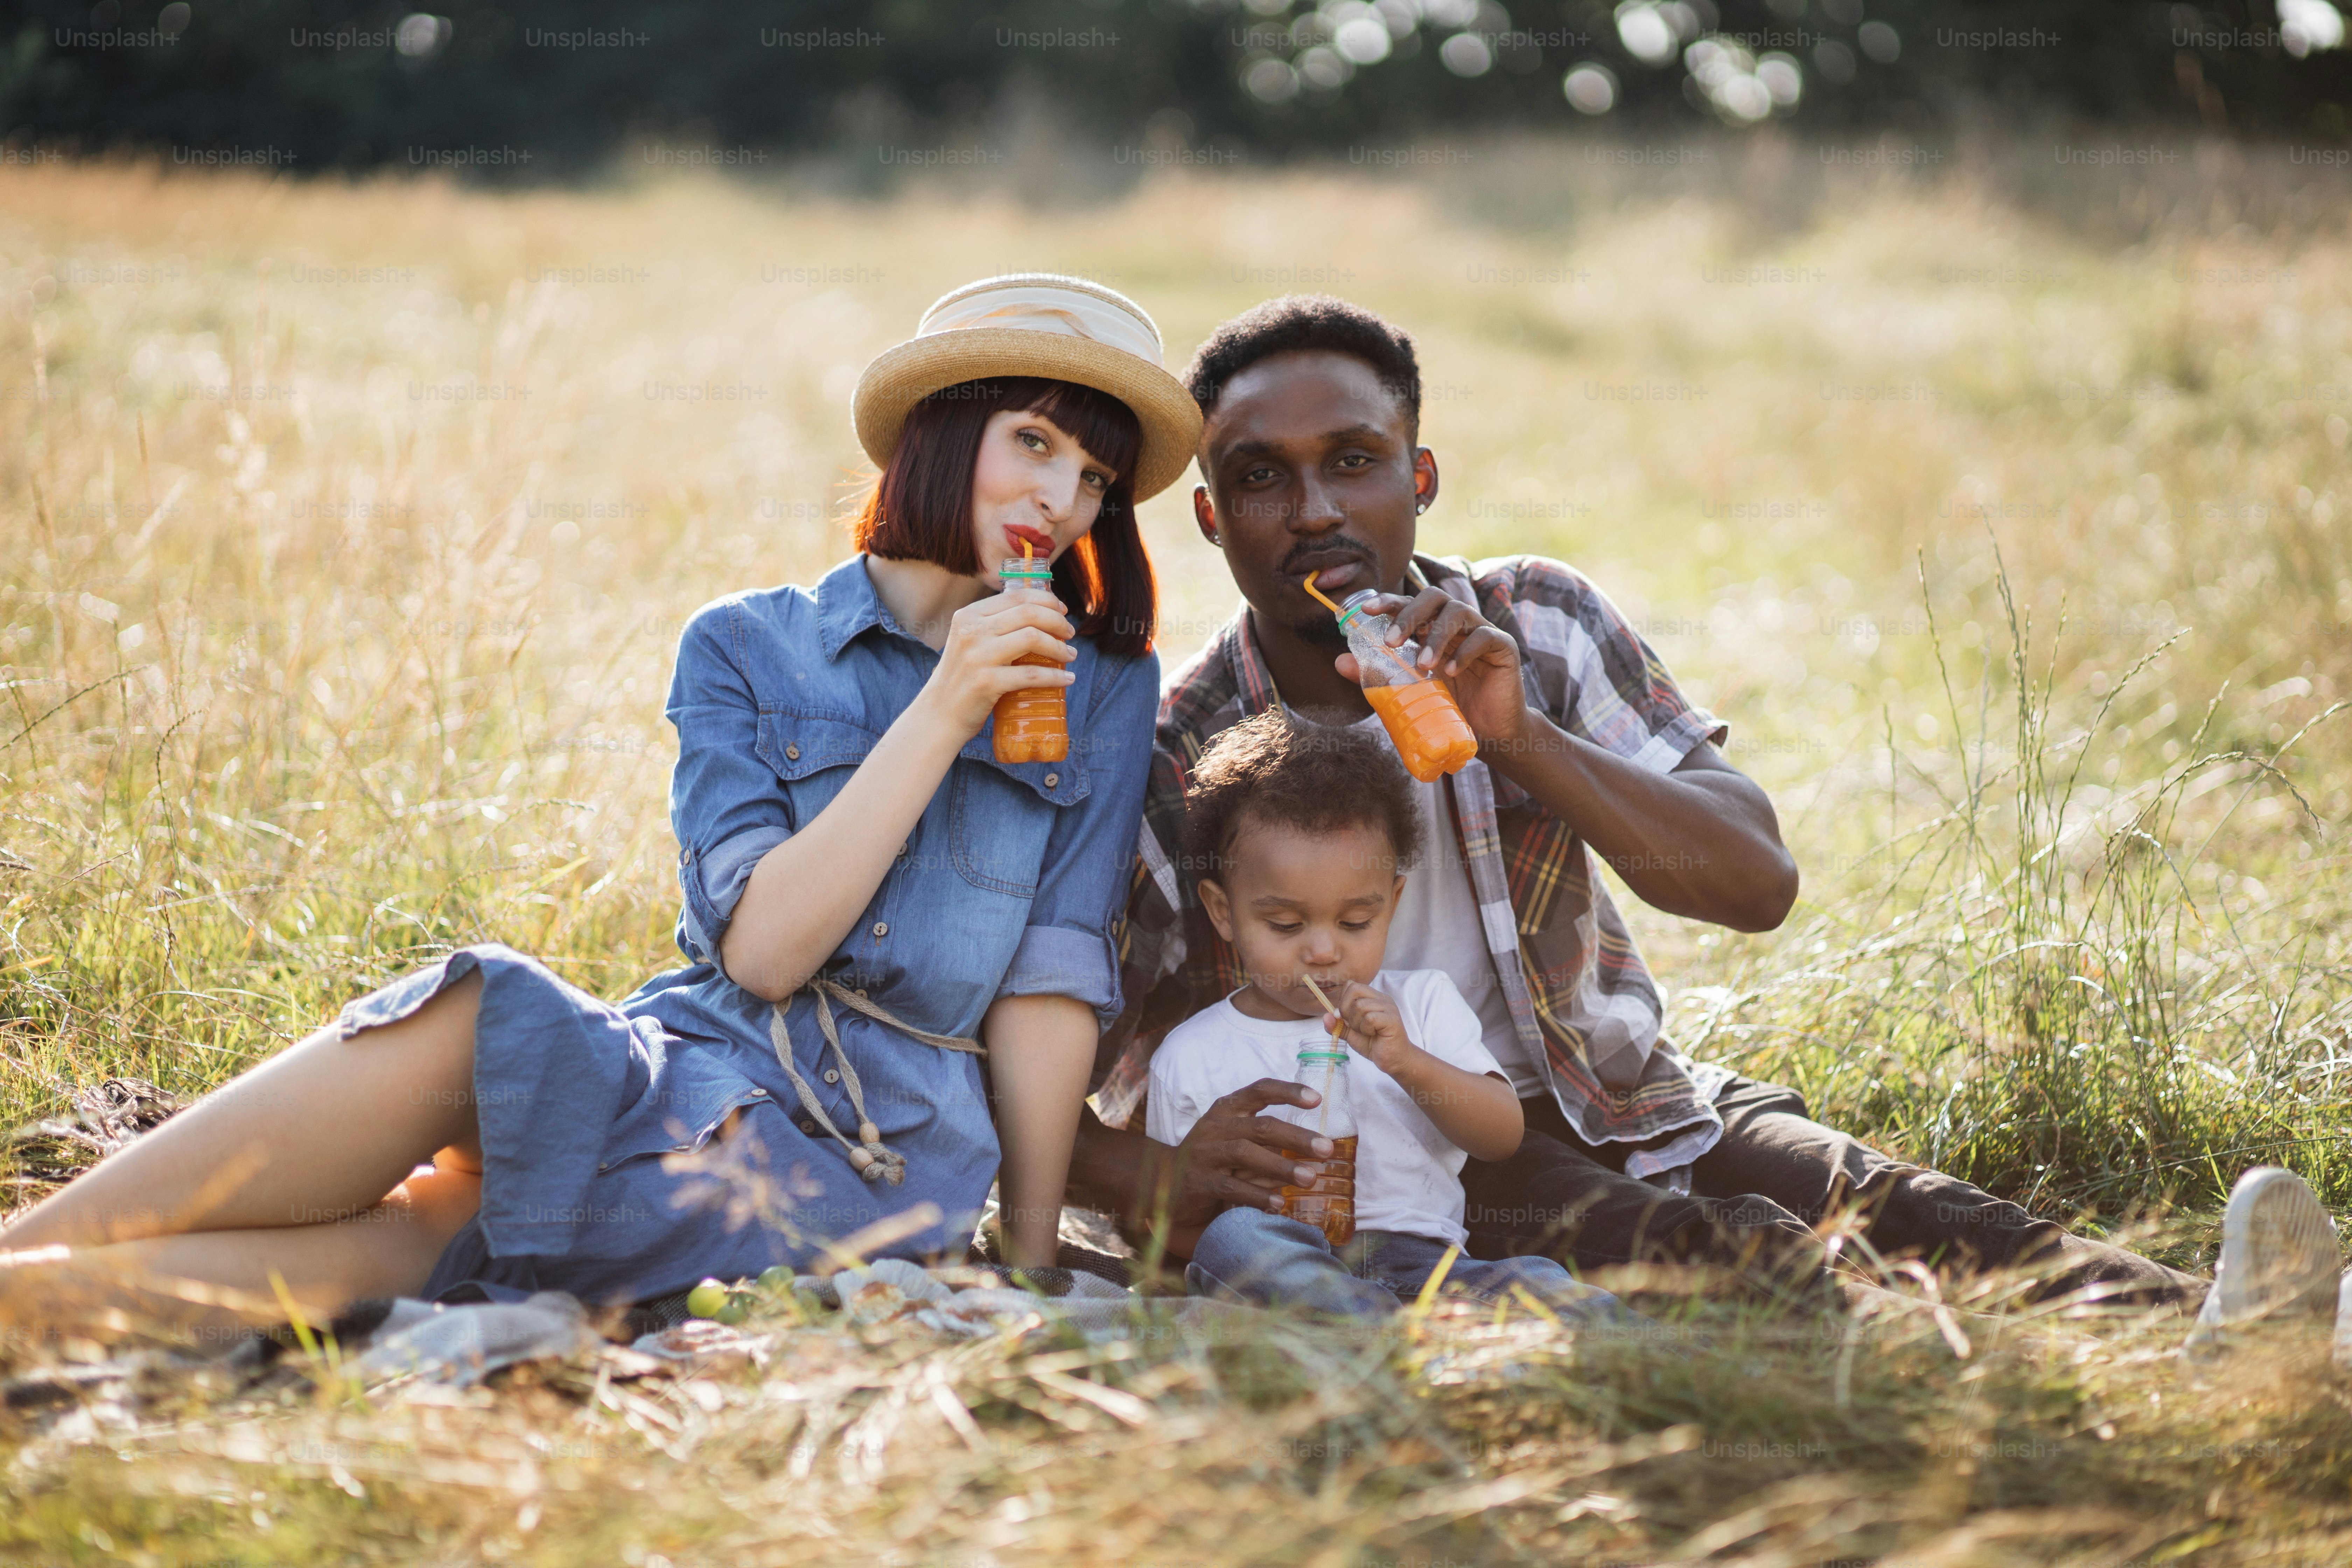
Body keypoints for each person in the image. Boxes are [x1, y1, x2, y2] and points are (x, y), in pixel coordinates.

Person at [1065, 293, 2339, 1334]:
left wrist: (1522, 737)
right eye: (1264, 479)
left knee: (1920, 1209)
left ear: (1422, 473)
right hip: (1425, 1147)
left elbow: (1753, 886)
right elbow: (1084, 1043)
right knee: (1702, 1250)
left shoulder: (1535, 623)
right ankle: (1918, 1359)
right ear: (1213, 516)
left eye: (1355, 462)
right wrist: (1147, 1177)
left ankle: (2255, 1332)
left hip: (1635, 1091)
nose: (1320, 511)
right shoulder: (1186, 747)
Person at [0, 273, 1203, 1338]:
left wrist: (1031, 1262)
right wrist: (945, 707)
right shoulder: (747, 645)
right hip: (679, 1061)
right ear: (944, 430)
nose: (1064, 497)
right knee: (481, 1018)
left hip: (851, 1161)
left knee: (442, 1231)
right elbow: (764, 949)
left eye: (1094, 476)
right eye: (1035, 442)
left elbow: (1048, 987)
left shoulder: (1096, 686)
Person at [1152, 710, 1631, 1324]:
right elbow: (1170, 1226)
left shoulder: (1422, 1005)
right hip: (1286, 1267)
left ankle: (1661, 1362)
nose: (1323, 951)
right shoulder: (1190, 1055)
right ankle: (1382, 1337)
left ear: (1393, 903)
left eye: (1355, 923)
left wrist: (1405, 1061)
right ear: (1223, 913)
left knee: (1538, 1284)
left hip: (1429, 1271)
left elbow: (1501, 1134)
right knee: (1238, 1238)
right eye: (1285, 925)